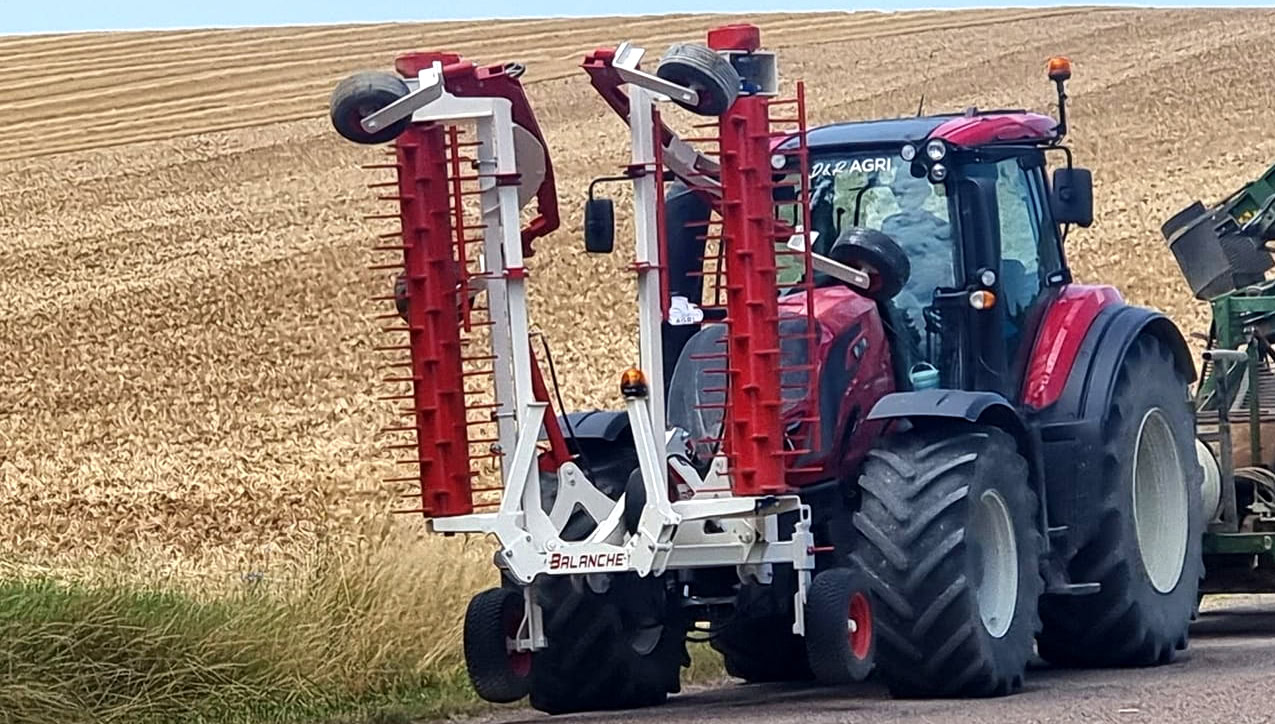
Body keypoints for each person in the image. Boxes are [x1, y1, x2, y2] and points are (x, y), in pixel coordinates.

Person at [878, 170, 956, 352]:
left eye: (909, 188)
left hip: (938, 310)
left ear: (925, 192)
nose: (901, 194)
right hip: (899, 311)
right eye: (897, 190)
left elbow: (951, 275)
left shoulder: (945, 231)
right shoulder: (888, 230)